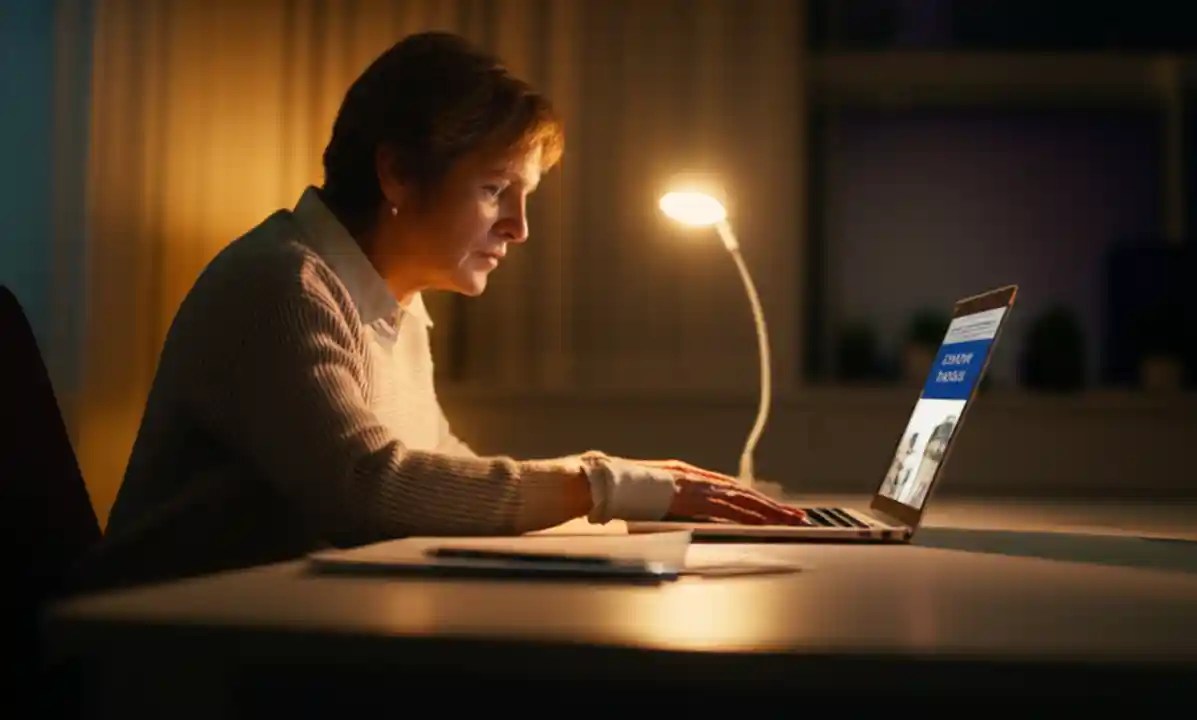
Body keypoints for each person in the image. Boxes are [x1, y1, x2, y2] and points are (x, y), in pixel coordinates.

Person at [69, 31, 807, 593]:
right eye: (495, 191)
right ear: (396, 171)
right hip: (163, 659)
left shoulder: (391, 301)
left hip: (272, 636)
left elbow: (439, 471)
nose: (519, 228)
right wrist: (603, 483)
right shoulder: (284, 287)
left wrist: (624, 507)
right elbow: (371, 487)